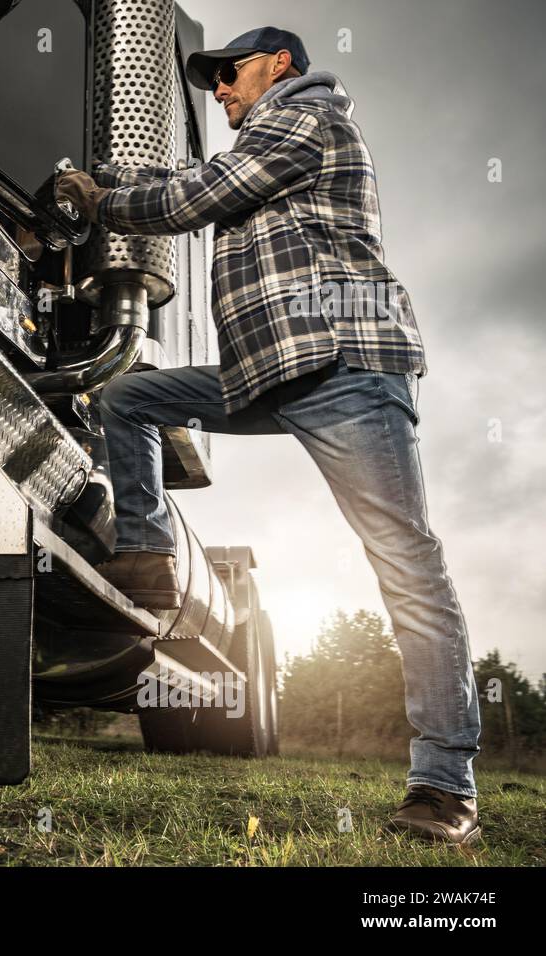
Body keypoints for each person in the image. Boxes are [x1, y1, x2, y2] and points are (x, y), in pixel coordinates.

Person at [55, 26, 482, 846]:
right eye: (210, 80)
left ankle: (443, 786)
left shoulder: (306, 116)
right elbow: (197, 189)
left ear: (279, 65)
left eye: (229, 72)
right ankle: (146, 564)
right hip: (272, 371)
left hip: (347, 365)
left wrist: (105, 200)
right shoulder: (265, 136)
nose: (218, 90)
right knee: (132, 397)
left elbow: (193, 198)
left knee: (406, 566)